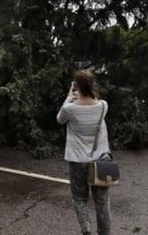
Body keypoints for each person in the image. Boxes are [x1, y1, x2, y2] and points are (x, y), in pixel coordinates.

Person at [57, 70, 112, 235]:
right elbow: (93, 101)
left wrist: (69, 96)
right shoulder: (103, 105)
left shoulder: (70, 109)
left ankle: (86, 230)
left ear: (76, 87)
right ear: (93, 85)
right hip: (101, 160)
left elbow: (59, 119)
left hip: (77, 160)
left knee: (79, 199)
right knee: (102, 201)